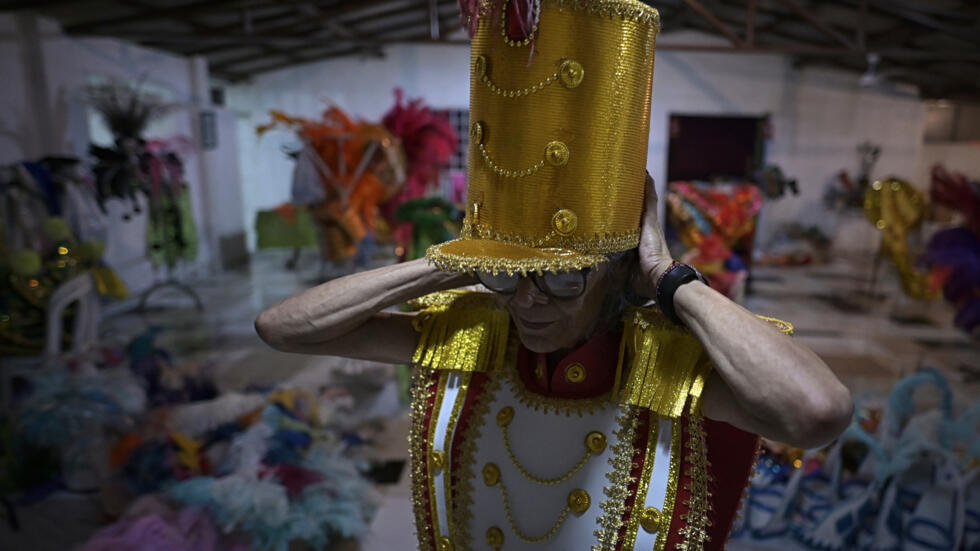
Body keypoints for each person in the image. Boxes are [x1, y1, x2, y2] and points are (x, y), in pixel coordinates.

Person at [255, 1, 852, 549]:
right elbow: (282, 329)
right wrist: (441, 267)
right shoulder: (474, 341)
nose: (530, 303)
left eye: (564, 279)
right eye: (510, 278)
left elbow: (816, 412)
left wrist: (668, 278)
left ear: (615, 273)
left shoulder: (667, 367)